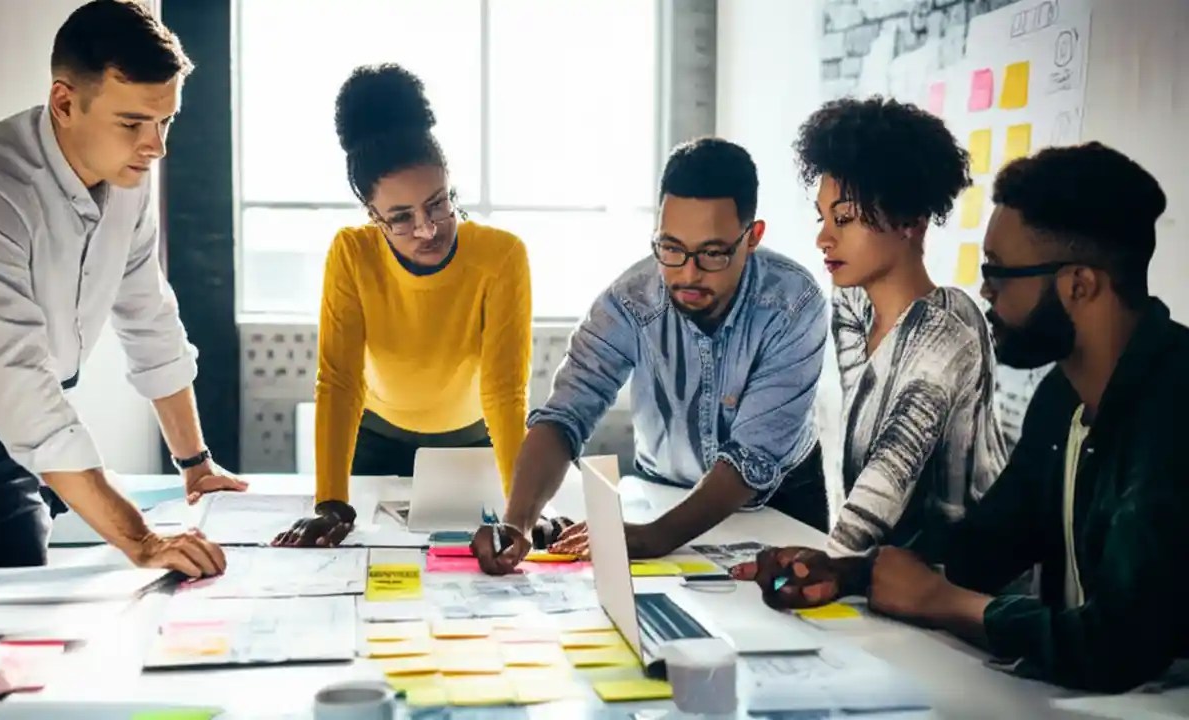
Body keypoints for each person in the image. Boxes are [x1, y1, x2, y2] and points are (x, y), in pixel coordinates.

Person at [733, 142, 1189, 692]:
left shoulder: (1172, 410)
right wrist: (851, 572)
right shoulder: (1062, 398)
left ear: (1079, 284)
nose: (985, 291)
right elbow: (990, 541)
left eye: (1000, 274)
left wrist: (943, 602)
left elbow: (1117, 643)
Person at [0, 0, 239, 581]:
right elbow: (20, 391)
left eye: (165, 121)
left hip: (33, 400)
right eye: (133, 122)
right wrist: (141, 541)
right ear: (65, 102)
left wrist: (196, 463)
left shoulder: (128, 176)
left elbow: (150, 320)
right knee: (7, 587)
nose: (156, 146)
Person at [472, 138, 829, 573]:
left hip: (779, 501)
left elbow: (752, 458)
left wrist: (655, 537)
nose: (687, 272)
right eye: (671, 248)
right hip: (662, 496)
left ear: (752, 238)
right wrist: (518, 523)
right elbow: (564, 417)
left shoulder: (794, 303)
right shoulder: (629, 301)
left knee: (791, 621)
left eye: (712, 253)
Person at [272, 64, 532, 548]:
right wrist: (329, 499)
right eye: (401, 218)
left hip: (473, 443)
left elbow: (504, 391)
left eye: (438, 205)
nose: (427, 229)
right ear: (373, 216)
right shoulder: (353, 253)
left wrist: (525, 506)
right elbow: (340, 380)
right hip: (376, 441)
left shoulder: (501, 256)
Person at [797, 97, 1007, 557]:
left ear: (910, 220)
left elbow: (891, 468)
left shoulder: (950, 327)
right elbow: (860, 429)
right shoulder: (853, 301)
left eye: (845, 219)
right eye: (824, 217)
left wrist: (824, 564)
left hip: (960, 593)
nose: (823, 238)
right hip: (878, 581)